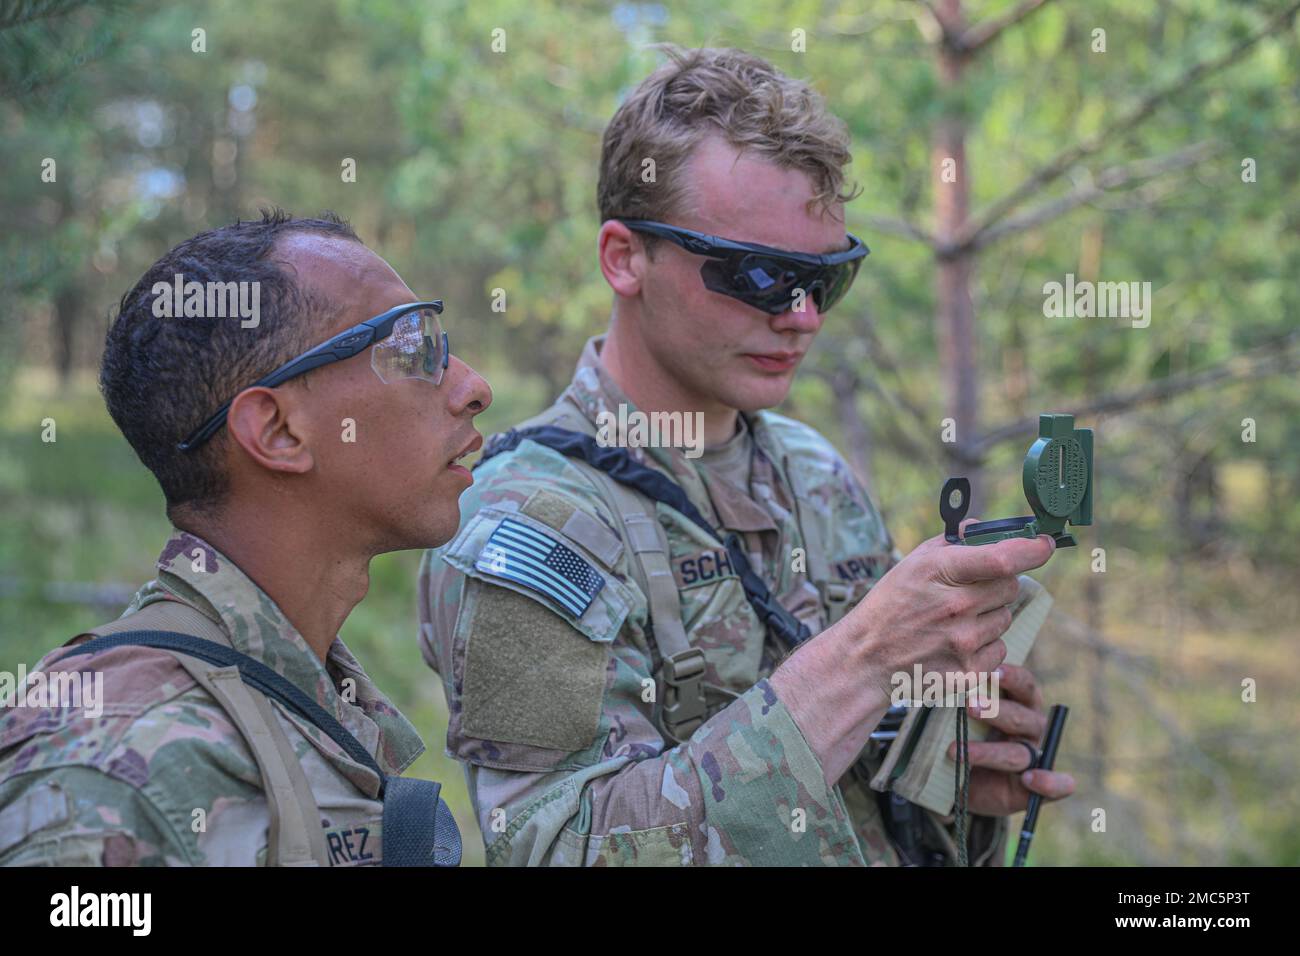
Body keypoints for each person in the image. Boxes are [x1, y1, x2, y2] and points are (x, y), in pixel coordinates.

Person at [418, 48, 1074, 866]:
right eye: (758, 274)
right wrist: (863, 658)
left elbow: (850, 796)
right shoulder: (529, 521)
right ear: (624, 257)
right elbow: (555, 848)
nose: (801, 317)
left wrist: (944, 784)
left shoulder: (816, 475)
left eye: (827, 279)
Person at [0, 210, 492, 866]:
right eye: (412, 346)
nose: (473, 387)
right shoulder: (111, 772)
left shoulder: (296, 699)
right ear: (278, 431)